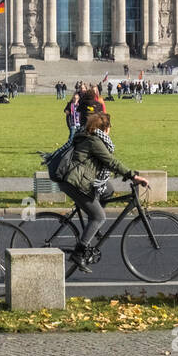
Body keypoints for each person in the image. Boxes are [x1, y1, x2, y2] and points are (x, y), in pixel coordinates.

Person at [57, 110, 146, 272]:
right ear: (105, 128)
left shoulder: (90, 136)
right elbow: (111, 161)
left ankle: (93, 227)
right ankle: (79, 253)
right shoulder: (94, 141)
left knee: (108, 189)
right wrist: (133, 176)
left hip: (77, 179)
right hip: (75, 183)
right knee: (99, 216)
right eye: (110, 127)